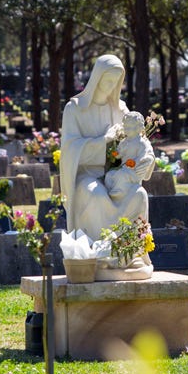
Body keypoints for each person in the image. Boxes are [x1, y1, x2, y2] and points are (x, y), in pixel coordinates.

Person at [59, 54, 154, 245]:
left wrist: (148, 160)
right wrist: (104, 141)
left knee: (139, 195)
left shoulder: (121, 110)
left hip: (117, 175)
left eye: (116, 81)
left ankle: (129, 251)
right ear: (97, 78)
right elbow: (70, 151)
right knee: (96, 195)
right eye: (107, 80)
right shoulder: (75, 109)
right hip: (86, 177)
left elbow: (140, 141)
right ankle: (100, 252)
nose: (111, 85)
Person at [103, 111, 155, 202]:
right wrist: (116, 154)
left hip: (134, 170)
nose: (126, 129)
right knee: (109, 175)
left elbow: (144, 156)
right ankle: (110, 191)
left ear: (139, 128)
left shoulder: (141, 143)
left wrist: (137, 163)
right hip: (123, 167)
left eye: (129, 127)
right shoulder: (124, 142)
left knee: (122, 175)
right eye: (125, 127)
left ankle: (119, 191)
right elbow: (120, 154)